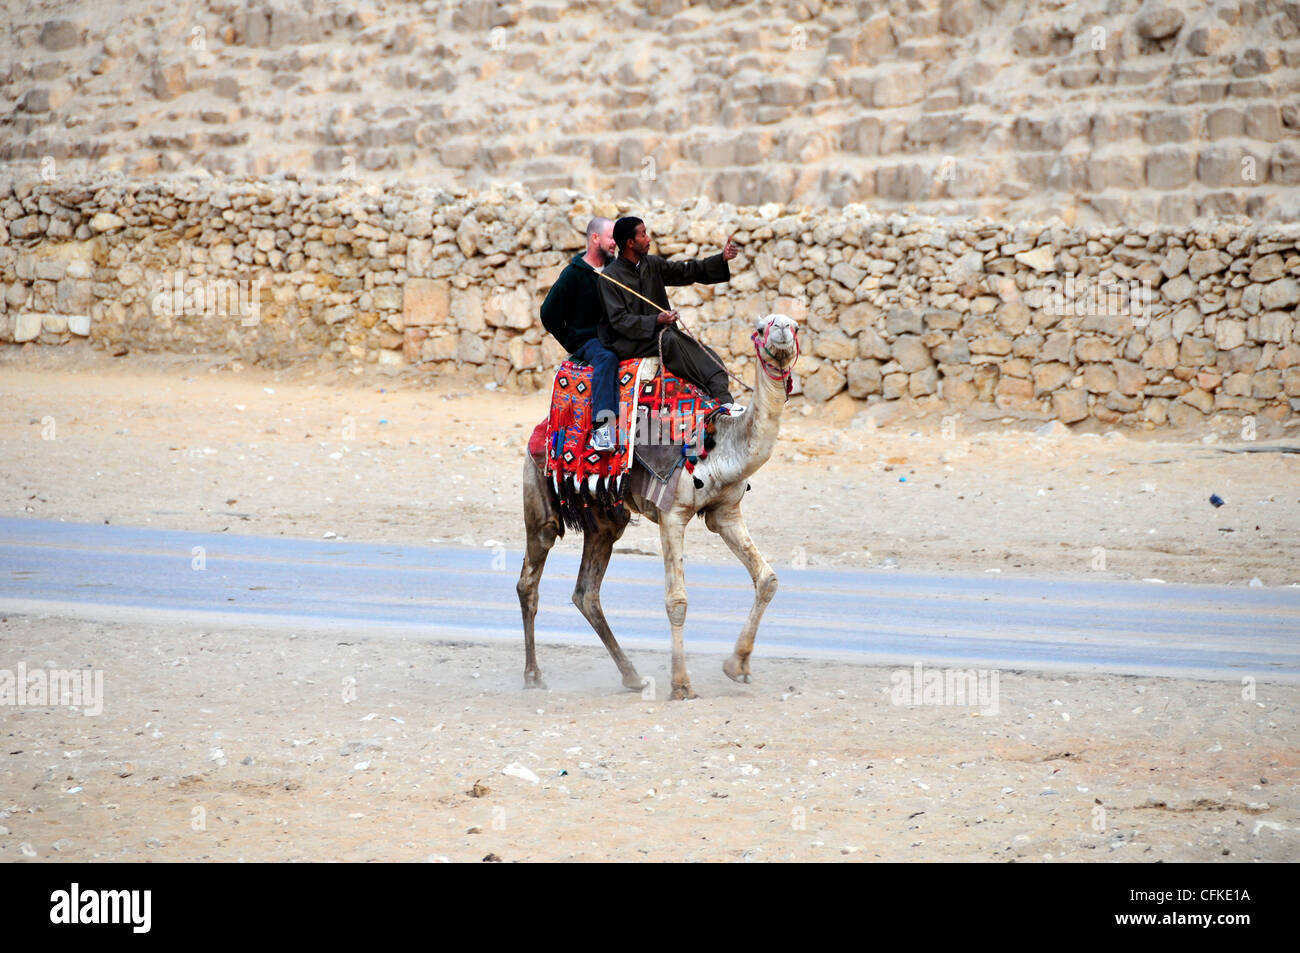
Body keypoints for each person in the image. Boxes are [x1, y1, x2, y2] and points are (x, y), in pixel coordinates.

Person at [596, 216, 744, 414]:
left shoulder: (652, 264)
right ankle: (714, 397)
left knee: (706, 354)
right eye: (643, 235)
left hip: (658, 334)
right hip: (625, 340)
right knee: (670, 340)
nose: (648, 239)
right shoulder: (609, 278)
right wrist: (656, 320)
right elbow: (619, 321)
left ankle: (723, 398)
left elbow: (687, 271)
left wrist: (721, 259)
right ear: (630, 243)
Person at [539, 217, 622, 451]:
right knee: (607, 358)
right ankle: (602, 429)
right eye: (611, 238)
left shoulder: (615, 270)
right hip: (590, 340)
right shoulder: (573, 274)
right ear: (595, 238)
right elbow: (548, 313)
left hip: (616, 336)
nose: (615, 243)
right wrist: (572, 341)